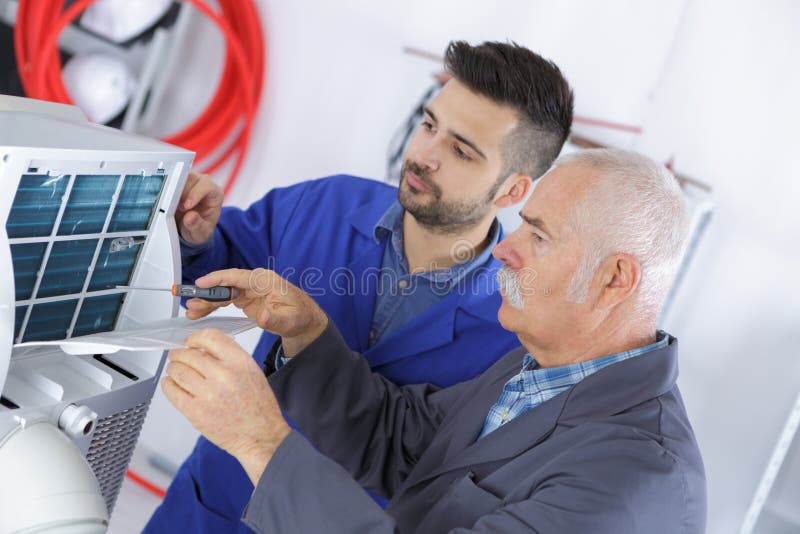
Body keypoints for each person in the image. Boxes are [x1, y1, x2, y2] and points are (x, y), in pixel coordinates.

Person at [145, 40, 575, 532]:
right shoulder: (328, 201)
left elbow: (434, 475)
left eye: (460, 150)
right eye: (429, 124)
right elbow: (217, 272)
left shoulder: (511, 339)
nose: (424, 155)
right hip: (208, 509)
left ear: (513, 190)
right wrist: (195, 236)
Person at [162, 148, 707, 533]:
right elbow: (401, 441)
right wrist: (307, 332)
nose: (504, 250)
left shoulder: (633, 479)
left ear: (615, 279)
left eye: (538, 237)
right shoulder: (533, 370)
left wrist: (260, 444)